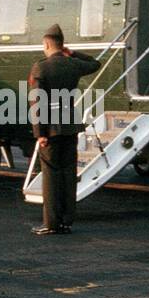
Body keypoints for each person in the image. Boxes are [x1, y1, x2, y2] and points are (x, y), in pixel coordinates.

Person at [28, 23, 100, 235]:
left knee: (50, 175)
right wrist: (73, 53)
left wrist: (40, 133)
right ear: (62, 45)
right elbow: (96, 63)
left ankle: (50, 223)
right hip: (70, 126)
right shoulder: (73, 64)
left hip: (50, 129)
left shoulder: (40, 67)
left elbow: (37, 102)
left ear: (46, 44)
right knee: (68, 174)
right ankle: (67, 220)